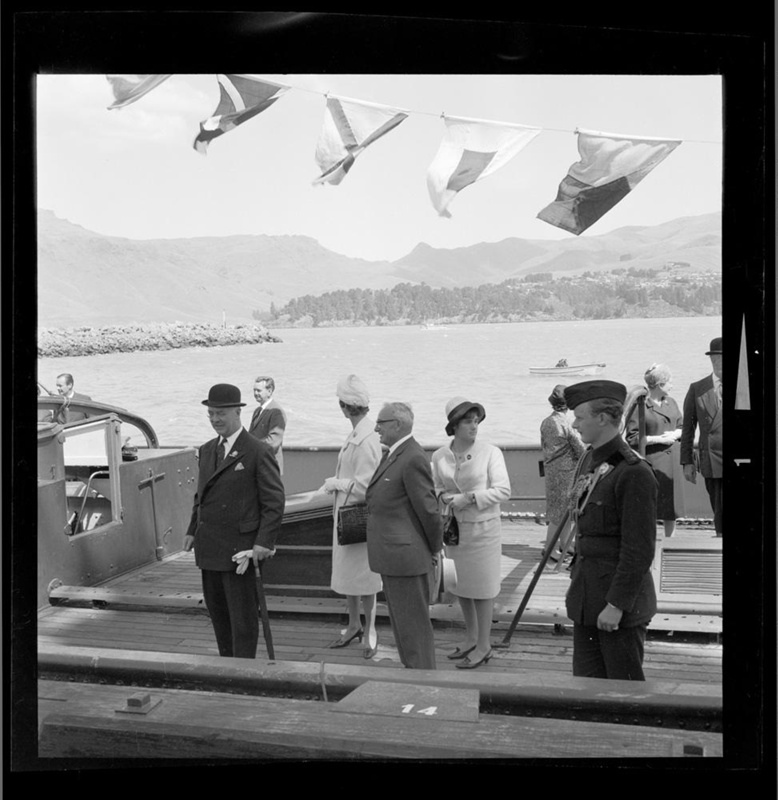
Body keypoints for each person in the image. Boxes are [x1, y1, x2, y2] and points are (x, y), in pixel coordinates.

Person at [563, 379, 658, 681]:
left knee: (624, 694)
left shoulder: (633, 473)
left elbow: (639, 550)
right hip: (587, 598)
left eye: (580, 416)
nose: (575, 425)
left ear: (602, 418)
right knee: (586, 689)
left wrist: (616, 605)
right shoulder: (591, 460)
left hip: (616, 607)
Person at [183, 383, 285, 659]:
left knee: (243, 620)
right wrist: (193, 529)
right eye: (211, 414)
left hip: (240, 552)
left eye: (220, 414)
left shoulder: (257, 451)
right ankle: (227, 668)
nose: (215, 420)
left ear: (237, 412)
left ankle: (243, 671)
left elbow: (274, 502)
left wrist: (264, 542)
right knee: (218, 615)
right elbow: (201, 495)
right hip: (210, 548)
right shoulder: (206, 451)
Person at [431, 397, 511, 670]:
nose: (474, 425)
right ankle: (471, 638)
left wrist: (468, 498)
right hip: (454, 531)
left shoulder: (490, 452)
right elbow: (437, 487)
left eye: (476, 420)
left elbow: (503, 491)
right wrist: (444, 497)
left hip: (483, 530)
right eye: (468, 420)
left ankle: (485, 645)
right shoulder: (439, 455)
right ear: (454, 424)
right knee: (461, 586)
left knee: (484, 589)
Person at [365, 402, 443, 670]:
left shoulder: (412, 458)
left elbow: (429, 510)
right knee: (404, 630)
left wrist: (435, 548)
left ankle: (424, 684)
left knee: (414, 632)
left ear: (397, 425)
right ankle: (415, 679)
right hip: (394, 558)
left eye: (380, 422)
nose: (376, 428)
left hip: (406, 559)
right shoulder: (396, 454)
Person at [319, 375, 383, 659]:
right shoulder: (361, 433)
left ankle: (370, 629)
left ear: (344, 406)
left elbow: (367, 486)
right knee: (351, 574)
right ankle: (355, 623)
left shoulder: (367, 438)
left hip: (359, 517)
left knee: (366, 576)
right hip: (348, 517)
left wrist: (337, 484)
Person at [625, 364, 685, 538]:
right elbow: (632, 438)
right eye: (670, 382)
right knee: (650, 506)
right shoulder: (641, 406)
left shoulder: (671, 402)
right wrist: (658, 439)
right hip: (652, 461)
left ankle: (670, 542)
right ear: (660, 384)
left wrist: (676, 434)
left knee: (671, 507)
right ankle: (648, 542)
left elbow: (682, 425)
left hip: (673, 460)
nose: (672, 385)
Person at [680, 338, 723, 536]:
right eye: (715, 359)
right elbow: (688, 429)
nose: (719, 363)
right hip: (711, 460)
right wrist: (687, 462)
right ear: (711, 360)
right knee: (719, 510)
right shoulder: (697, 389)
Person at [540, 384, 585, 562]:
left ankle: (565, 543)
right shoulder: (567, 423)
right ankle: (549, 549)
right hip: (567, 472)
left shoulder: (546, 422)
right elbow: (580, 448)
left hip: (552, 470)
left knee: (558, 511)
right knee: (562, 514)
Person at [248, 376, 287, 475]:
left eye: (259, 390)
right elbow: (251, 435)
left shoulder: (277, 412)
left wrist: (251, 448)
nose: (255, 393)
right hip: (257, 465)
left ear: (269, 391)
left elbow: (273, 442)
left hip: (269, 467)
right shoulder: (257, 411)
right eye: (254, 390)